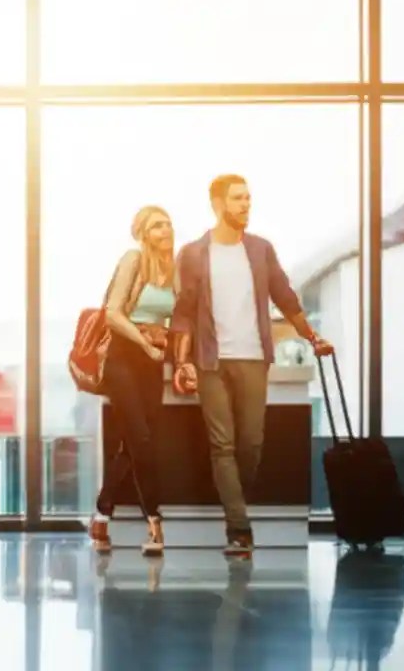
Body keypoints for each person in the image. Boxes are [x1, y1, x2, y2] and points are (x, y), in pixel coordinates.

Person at [171, 174, 333, 556]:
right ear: (217, 204)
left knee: (252, 443)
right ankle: (239, 529)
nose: (246, 205)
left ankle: (233, 498)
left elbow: (286, 297)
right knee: (222, 445)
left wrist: (313, 338)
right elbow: (183, 313)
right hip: (211, 360)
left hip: (253, 357)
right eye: (238, 199)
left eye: (248, 198)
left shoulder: (260, 249)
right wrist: (182, 360)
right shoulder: (194, 253)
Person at [90, 205, 177, 556]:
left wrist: (168, 344)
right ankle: (156, 523)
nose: (165, 230)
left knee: (135, 441)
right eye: (157, 226)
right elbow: (112, 313)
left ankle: (101, 514)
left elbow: (177, 318)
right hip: (123, 358)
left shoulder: (173, 270)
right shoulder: (133, 260)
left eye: (168, 224)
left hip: (151, 362)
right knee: (141, 439)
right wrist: (145, 341)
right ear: (143, 233)